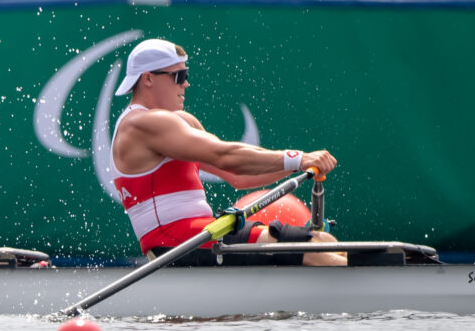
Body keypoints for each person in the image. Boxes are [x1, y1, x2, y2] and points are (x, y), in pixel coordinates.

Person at [109, 38, 346, 266]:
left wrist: (298, 166)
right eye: (178, 76)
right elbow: (226, 156)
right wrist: (298, 158)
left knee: (324, 241)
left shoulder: (180, 123)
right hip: (173, 243)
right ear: (148, 78)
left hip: (200, 233)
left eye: (186, 75)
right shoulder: (139, 124)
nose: (186, 84)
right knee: (309, 247)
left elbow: (239, 177)